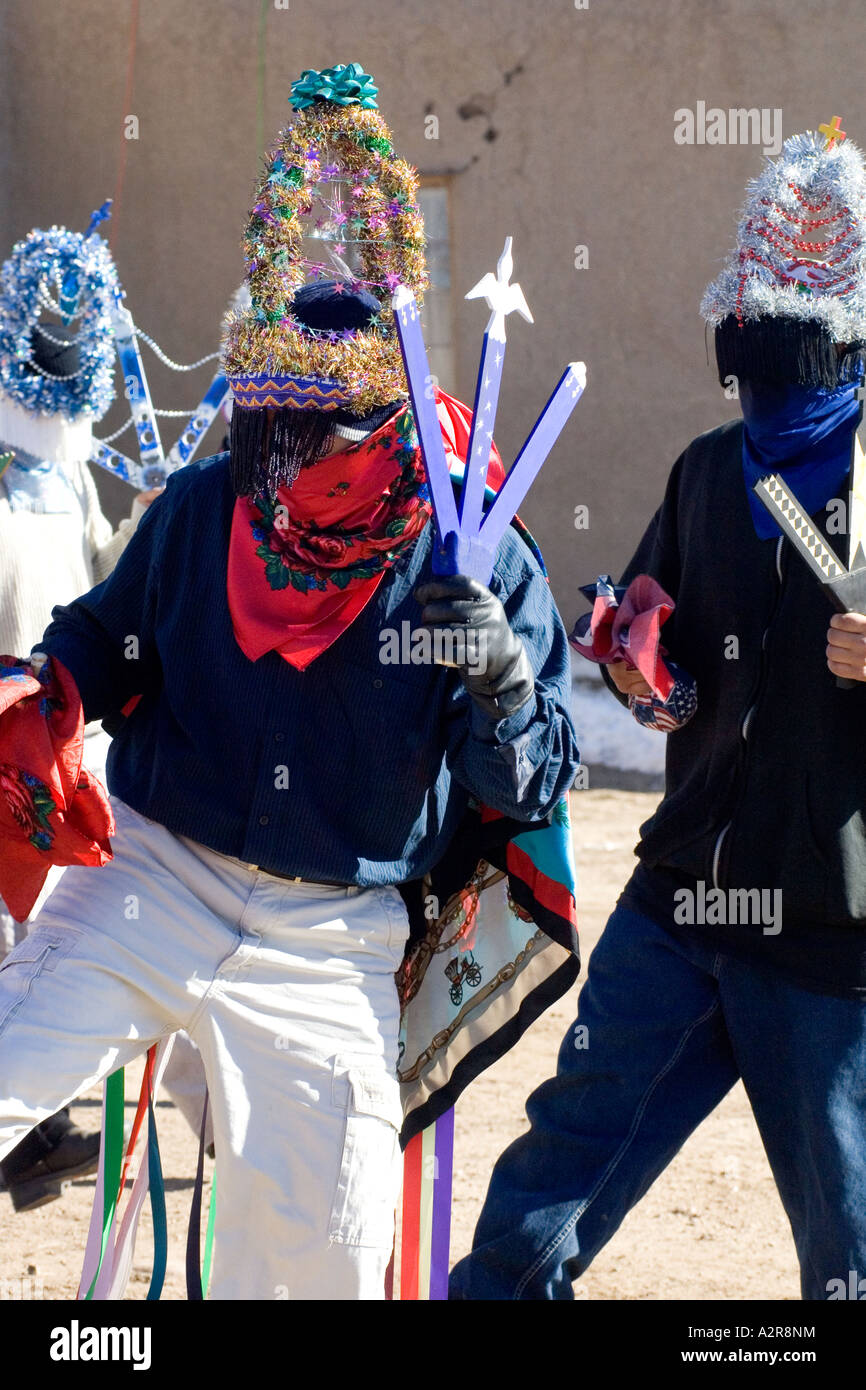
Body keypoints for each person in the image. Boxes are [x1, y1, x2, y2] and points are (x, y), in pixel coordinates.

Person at [0, 64, 579, 1298]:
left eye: (312, 436)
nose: (280, 464)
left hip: (332, 932)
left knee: (317, 1259)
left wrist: (500, 683)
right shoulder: (210, 502)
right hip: (154, 872)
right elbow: (109, 634)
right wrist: (48, 690)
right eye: (266, 427)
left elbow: (527, 788)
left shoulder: (474, 546)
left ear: (381, 425)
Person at [450, 126, 866, 1301]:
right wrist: (638, 668)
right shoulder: (700, 469)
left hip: (829, 945)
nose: (765, 385)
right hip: (679, 899)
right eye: (748, 354)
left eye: (790, 351)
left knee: (848, 1269)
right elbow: (672, 676)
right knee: (537, 1208)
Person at [0, 229, 160, 1211]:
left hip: (61, 729)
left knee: (60, 925)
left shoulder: (67, 470)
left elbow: (97, 577)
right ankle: (32, 1136)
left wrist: (147, 525)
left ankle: (36, 1129)